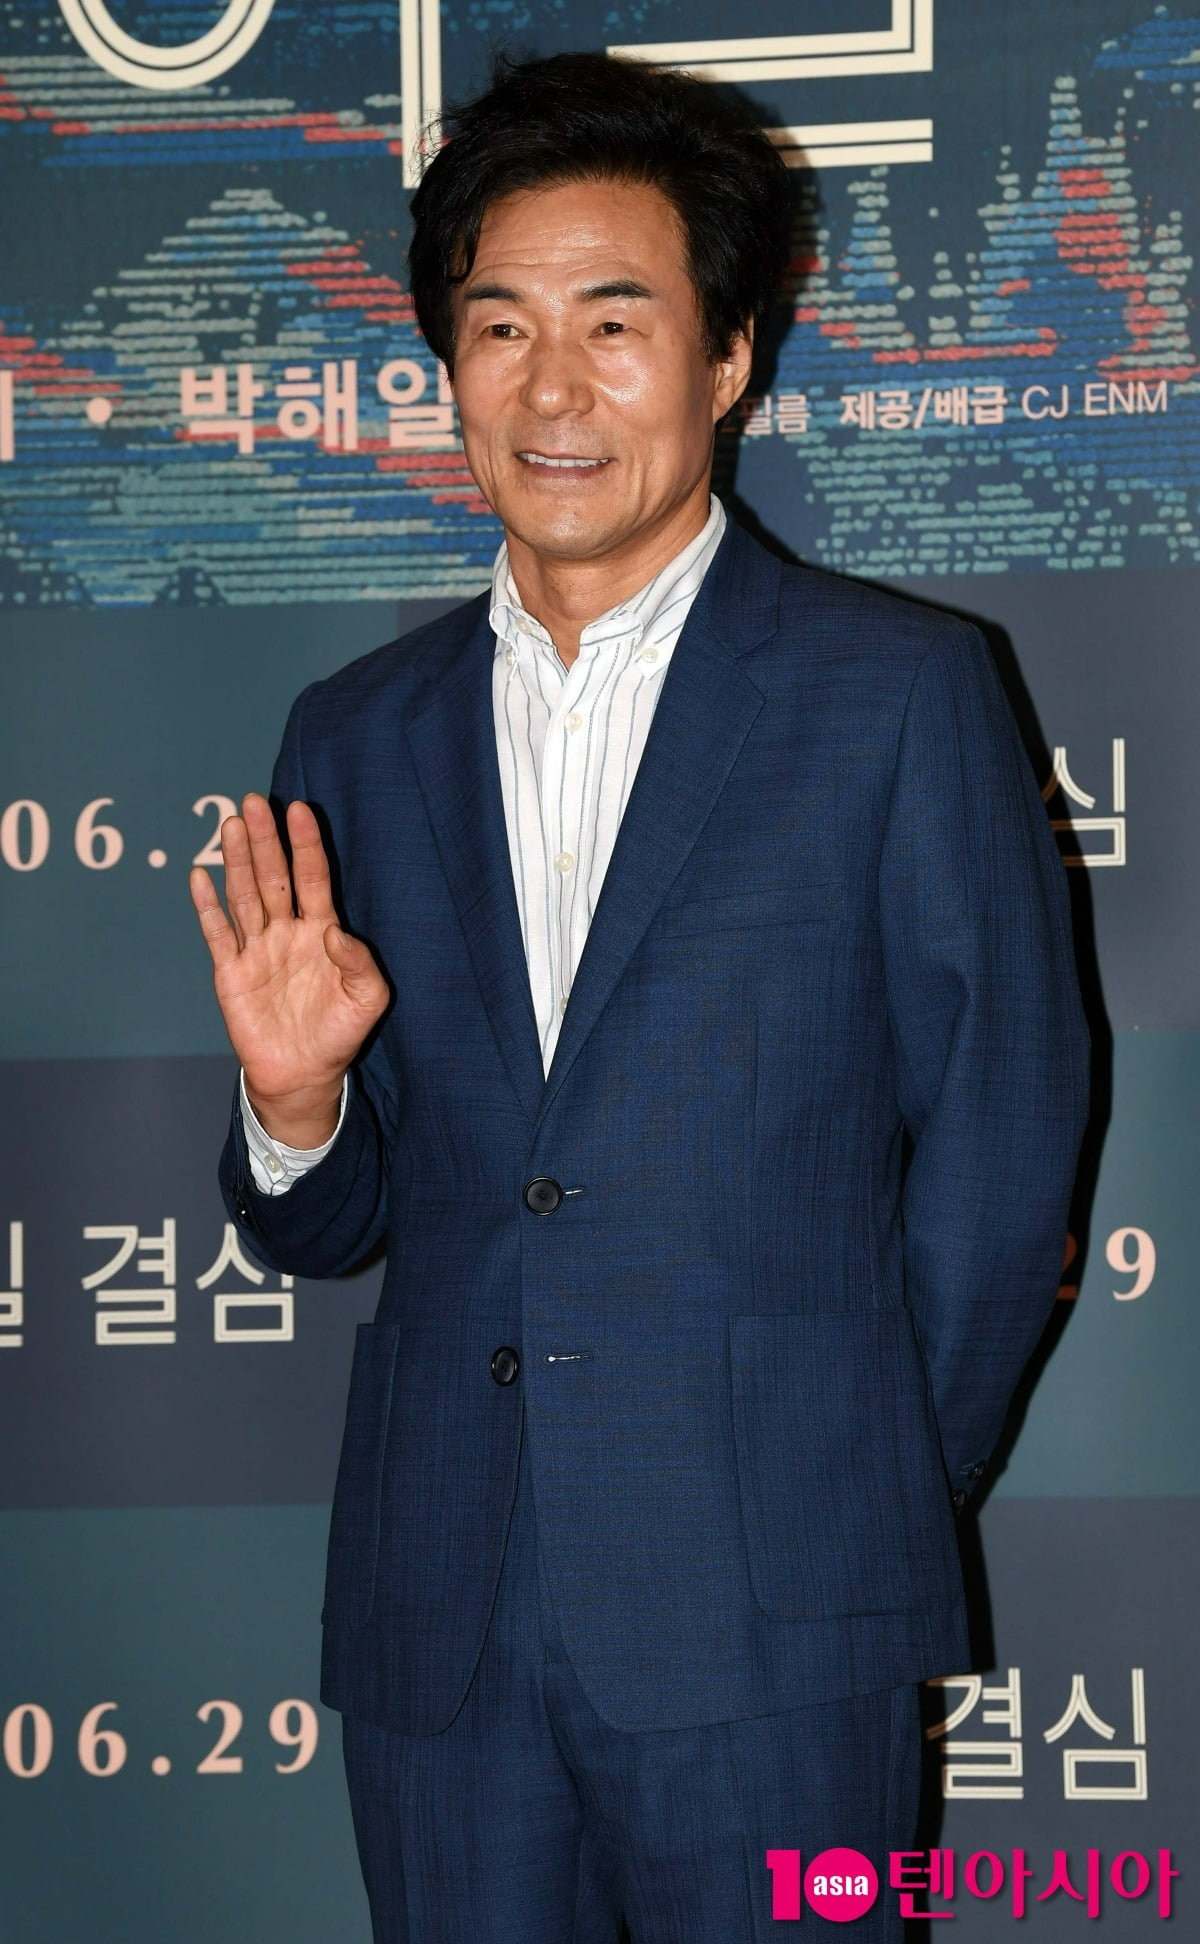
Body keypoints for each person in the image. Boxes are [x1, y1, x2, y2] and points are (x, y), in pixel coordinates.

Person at [189, 50, 1089, 1944]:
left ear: (730, 357)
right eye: (499, 326)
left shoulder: (895, 696)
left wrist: (850, 1488)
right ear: (447, 365)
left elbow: (1005, 1151)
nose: (553, 387)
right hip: (442, 1626)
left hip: (781, 1616)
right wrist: (294, 1109)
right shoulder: (354, 737)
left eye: (616, 322)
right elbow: (337, 1223)